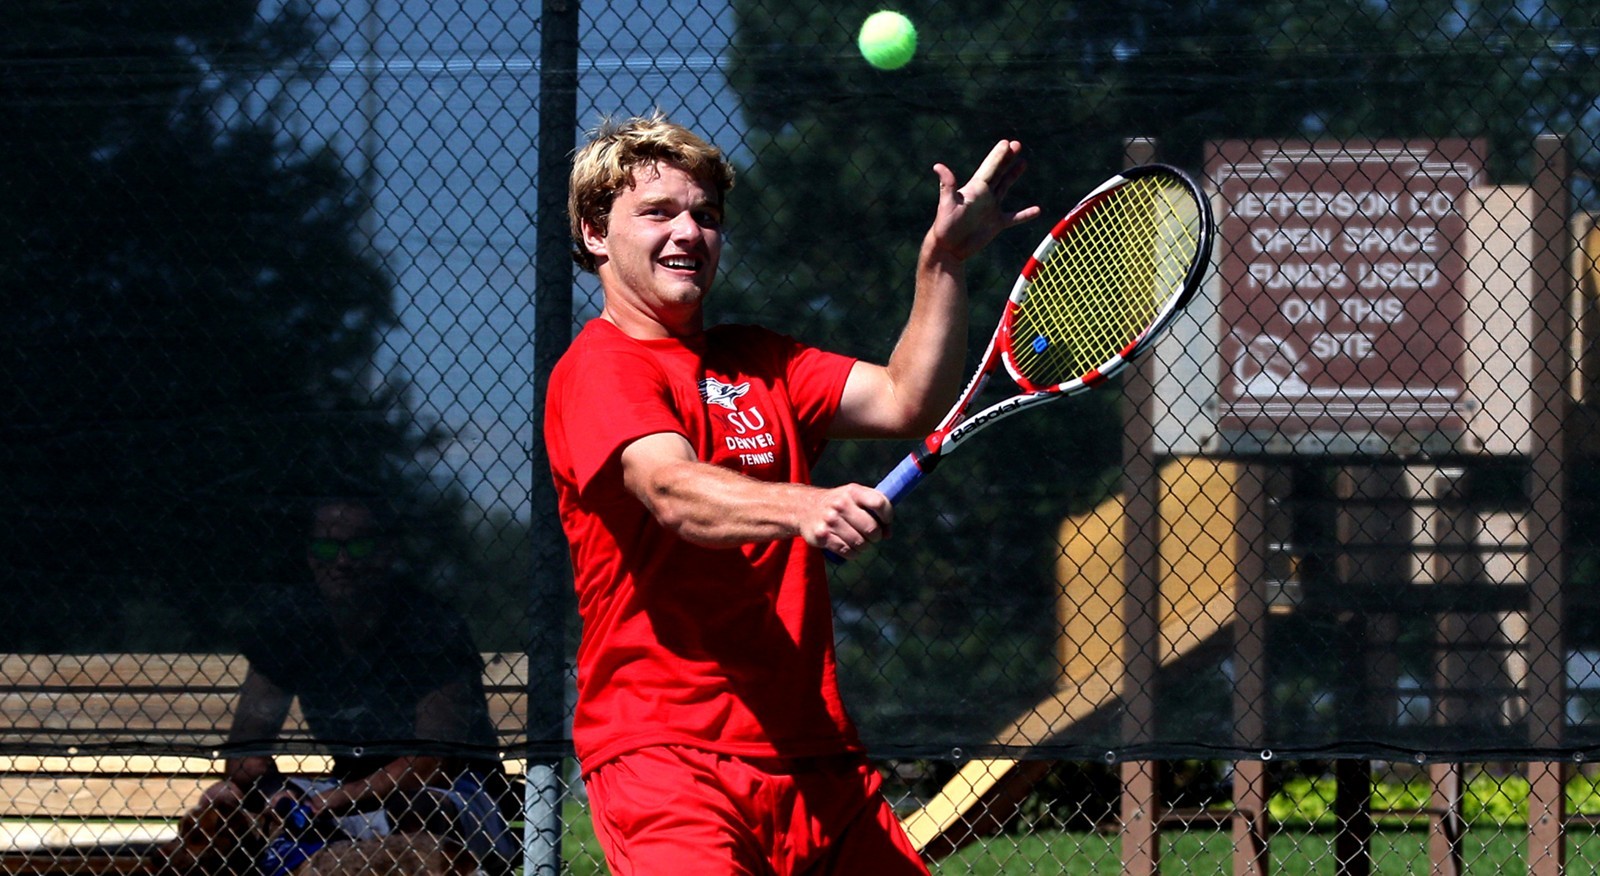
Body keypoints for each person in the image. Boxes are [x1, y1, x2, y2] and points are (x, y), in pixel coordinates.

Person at [544, 111, 1039, 875]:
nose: (688, 233)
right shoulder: (601, 368)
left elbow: (908, 398)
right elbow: (670, 488)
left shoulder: (762, 361)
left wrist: (941, 261)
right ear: (595, 234)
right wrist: (804, 504)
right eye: (658, 212)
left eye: (705, 216)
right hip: (669, 761)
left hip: (816, 757)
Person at [192, 496, 516, 876]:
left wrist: (325, 803)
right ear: (311, 556)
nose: (342, 562)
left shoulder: (429, 626)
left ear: (387, 553)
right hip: (342, 792)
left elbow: (433, 763)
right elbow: (244, 753)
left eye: (359, 547)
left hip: (455, 798)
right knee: (222, 801)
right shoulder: (293, 626)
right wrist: (273, 793)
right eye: (327, 548)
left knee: (411, 807)